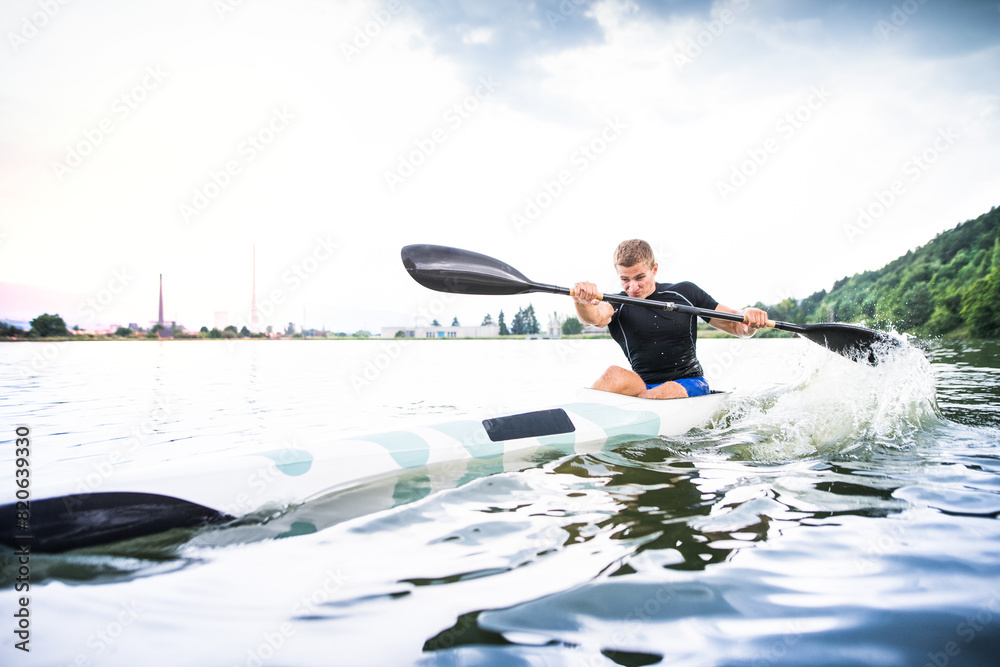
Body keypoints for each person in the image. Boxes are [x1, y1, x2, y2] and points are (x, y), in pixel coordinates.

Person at [572, 239, 768, 399]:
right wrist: (582, 301)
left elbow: (736, 325)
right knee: (612, 374)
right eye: (625, 279)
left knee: (656, 395)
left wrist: (749, 317)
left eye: (639, 277)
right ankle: (580, 419)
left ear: (654, 269)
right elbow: (595, 318)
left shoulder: (684, 293)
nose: (632, 287)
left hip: (689, 383)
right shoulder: (617, 303)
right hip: (643, 385)